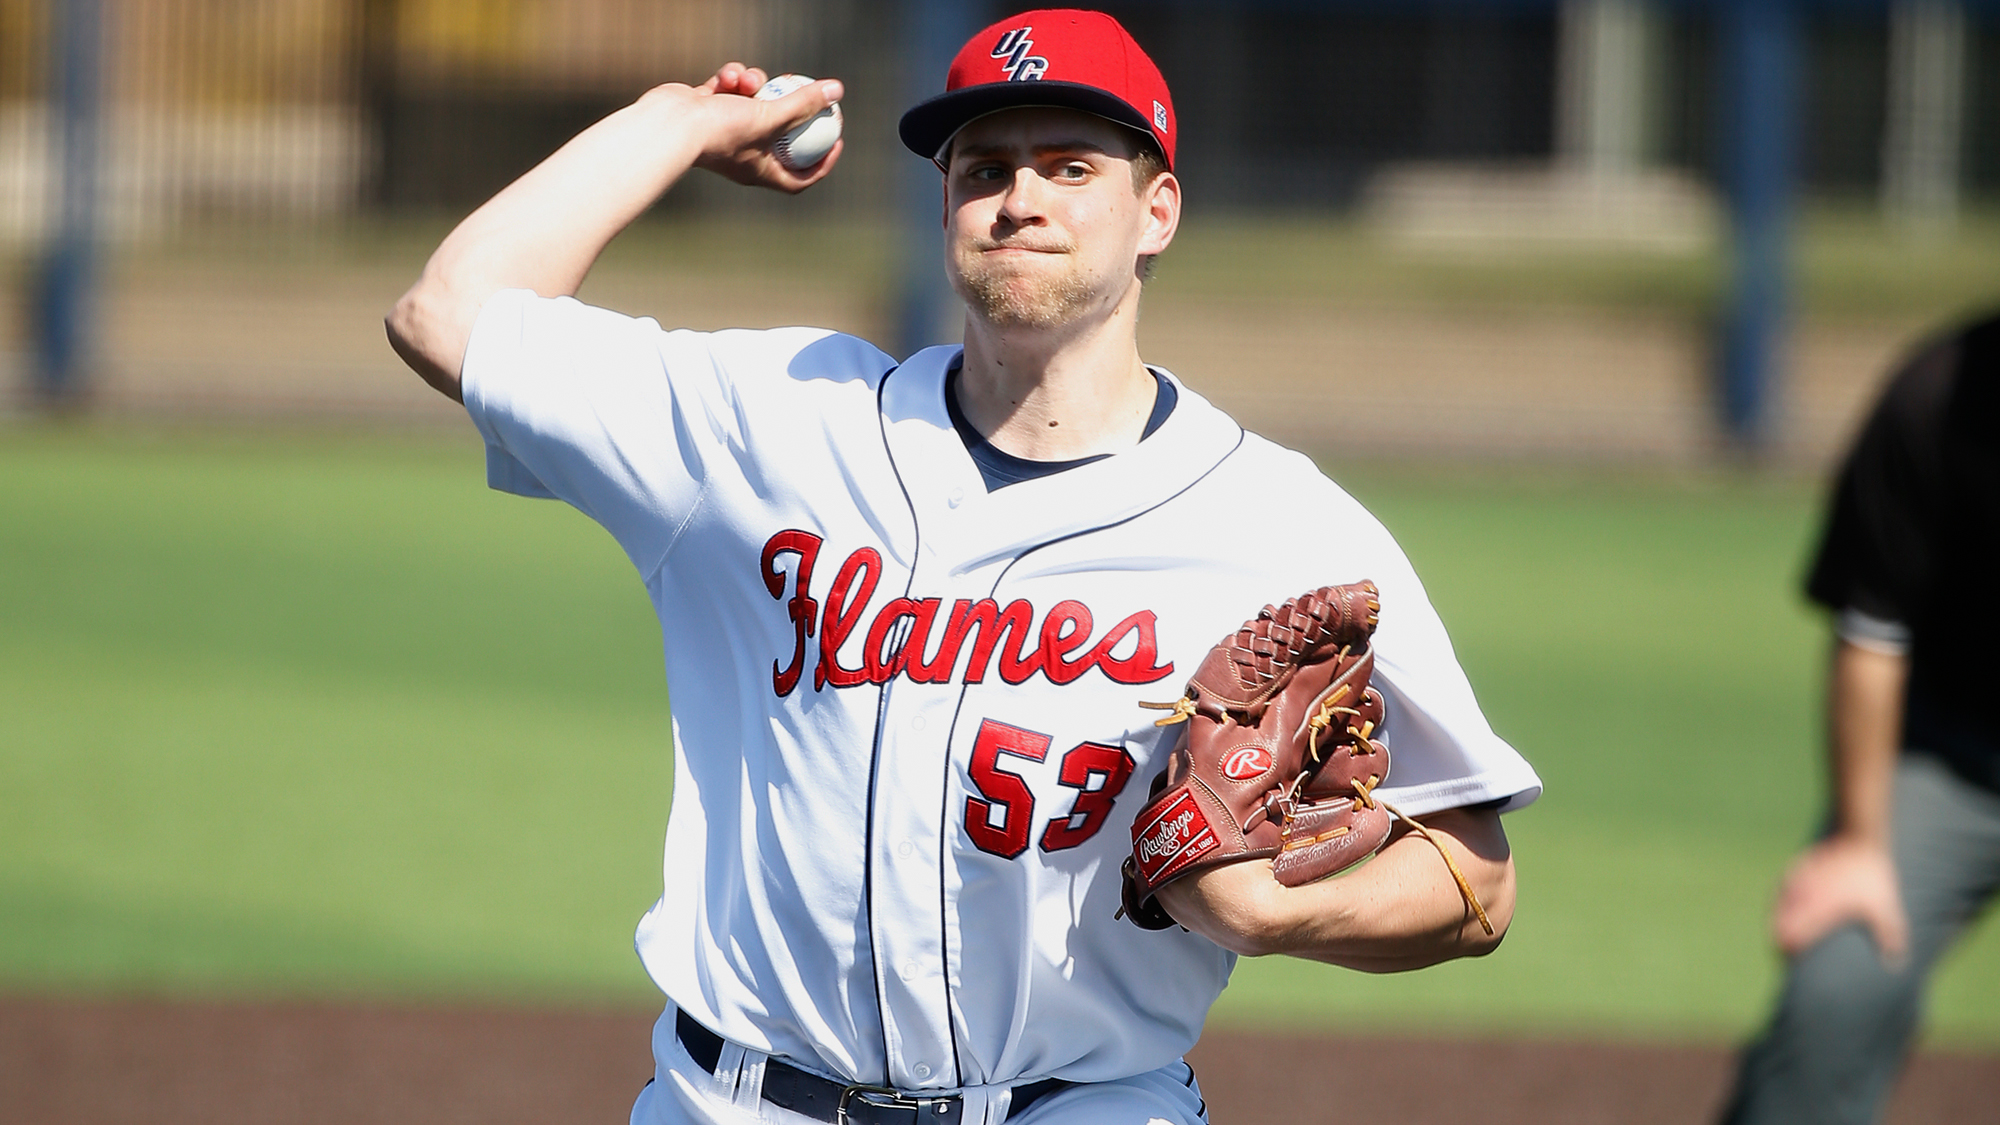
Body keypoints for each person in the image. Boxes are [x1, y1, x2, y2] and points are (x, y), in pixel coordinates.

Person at [386, 11, 1542, 1125]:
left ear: (1156, 212)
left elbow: (1473, 883)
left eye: (1069, 166)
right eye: (984, 170)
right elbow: (447, 313)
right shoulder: (774, 424)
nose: (1019, 199)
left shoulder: (1278, 527)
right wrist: (679, 121)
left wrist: (1267, 913)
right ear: (945, 208)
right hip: (733, 1101)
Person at [1720, 312, 2000, 1125]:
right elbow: (1873, 637)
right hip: (1953, 759)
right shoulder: (1937, 396)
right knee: (1842, 979)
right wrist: (1858, 845)